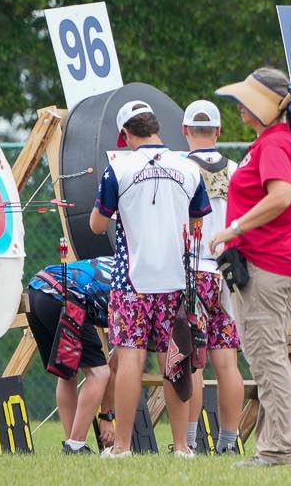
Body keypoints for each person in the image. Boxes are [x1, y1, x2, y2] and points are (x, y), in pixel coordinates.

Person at [89, 100, 211, 458]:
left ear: (126, 135)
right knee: (175, 359)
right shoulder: (188, 168)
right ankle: (181, 447)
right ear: (156, 128)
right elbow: (198, 219)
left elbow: (98, 224)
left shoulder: (118, 169)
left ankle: (122, 447)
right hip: (176, 281)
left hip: (132, 283)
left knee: (130, 360)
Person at [207, 68, 291, 468]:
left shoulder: (274, 144)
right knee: (269, 354)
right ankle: (275, 445)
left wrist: (234, 228)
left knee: (267, 357)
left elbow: (281, 195)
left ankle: (277, 449)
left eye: (247, 101)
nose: (239, 108)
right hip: (278, 261)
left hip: (268, 263)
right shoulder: (277, 141)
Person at [179, 99, 244, 454]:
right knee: (226, 360)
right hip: (227, 270)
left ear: (185, 130)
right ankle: (229, 443)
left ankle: (189, 442)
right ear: (218, 131)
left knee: (192, 361)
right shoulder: (236, 169)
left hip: (192, 271)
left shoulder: (179, 167)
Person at [27, 257, 116, 454]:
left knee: (68, 371)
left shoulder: (127, 263)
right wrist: (107, 417)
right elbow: (118, 365)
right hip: (65, 297)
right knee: (100, 373)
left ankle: (72, 445)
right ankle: (75, 446)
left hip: (35, 291)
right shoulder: (139, 294)